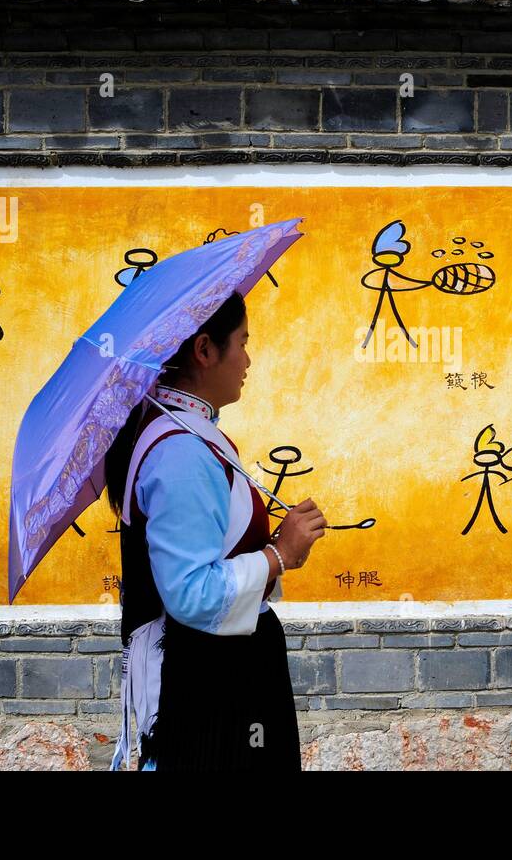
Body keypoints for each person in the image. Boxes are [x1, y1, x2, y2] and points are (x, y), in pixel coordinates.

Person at [102, 290, 327, 771]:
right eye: (242, 342)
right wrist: (278, 556)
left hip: (225, 668)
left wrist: (280, 549)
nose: (248, 359)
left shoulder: (192, 435)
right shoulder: (181, 451)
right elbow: (190, 592)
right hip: (209, 683)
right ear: (205, 350)